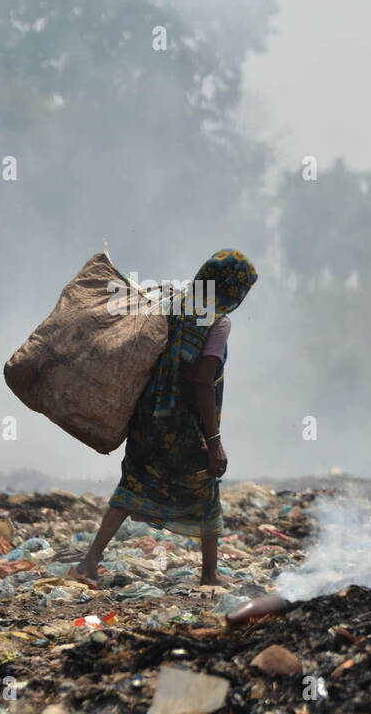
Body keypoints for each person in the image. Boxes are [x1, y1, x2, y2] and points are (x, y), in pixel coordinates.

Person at [73, 249, 257, 588]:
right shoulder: (218, 321)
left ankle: (89, 560)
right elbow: (203, 380)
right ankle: (209, 574)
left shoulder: (173, 302)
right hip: (184, 423)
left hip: (148, 414)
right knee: (206, 487)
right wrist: (214, 442)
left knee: (132, 484)